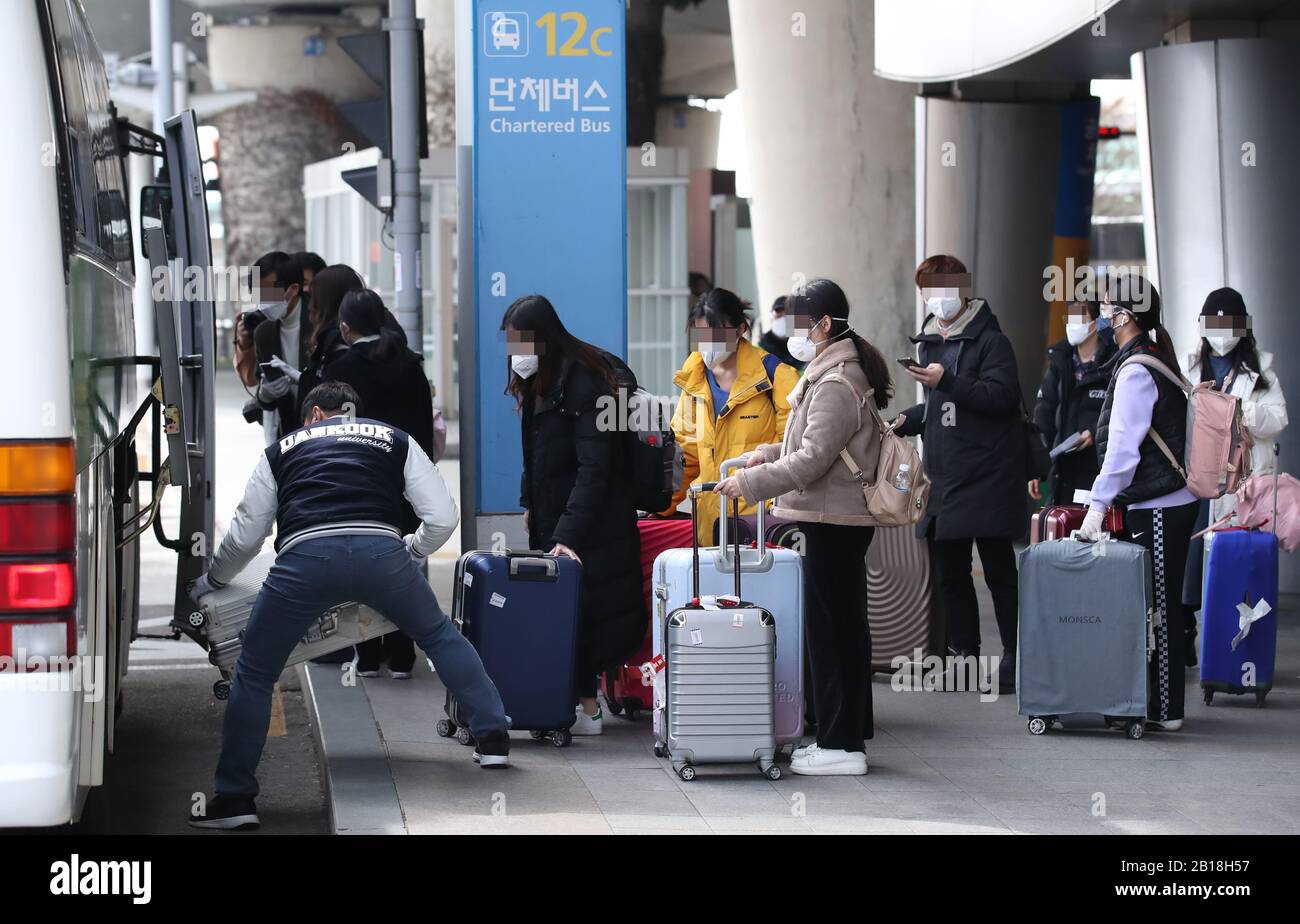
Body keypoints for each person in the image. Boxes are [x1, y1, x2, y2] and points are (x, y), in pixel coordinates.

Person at [187, 382, 509, 829]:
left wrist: (215, 579)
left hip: (305, 558)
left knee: (257, 671)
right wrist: (412, 551)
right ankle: (492, 736)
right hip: (382, 552)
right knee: (437, 635)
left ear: (315, 414)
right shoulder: (394, 438)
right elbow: (442, 517)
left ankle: (235, 798)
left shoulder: (279, 451)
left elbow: (247, 534)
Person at [717, 279, 890, 776]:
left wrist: (751, 483)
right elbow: (813, 446)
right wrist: (766, 454)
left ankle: (842, 745)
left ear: (825, 325)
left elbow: (813, 459)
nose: (792, 333)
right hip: (834, 517)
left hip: (835, 519)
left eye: (799, 324)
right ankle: (846, 737)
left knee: (833, 633)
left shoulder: (837, 381)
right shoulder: (833, 371)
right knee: (841, 629)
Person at [505, 295, 644, 737]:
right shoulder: (543, 381)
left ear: (544, 339)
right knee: (564, 612)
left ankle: (589, 710)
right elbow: (534, 452)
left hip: (593, 522)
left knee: (580, 614)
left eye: (522, 344)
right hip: (559, 515)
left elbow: (595, 468)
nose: (516, 355)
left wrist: (568, 534)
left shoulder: (585, 384)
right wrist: (530, 503)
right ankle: (573, 704)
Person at [894, 254, 1025, 694]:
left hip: (987, 472)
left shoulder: (992, 341)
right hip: (944, 475)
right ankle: (965, 655)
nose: (937, 297)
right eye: (929, 289)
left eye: (944, 287)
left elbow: (1001, 397)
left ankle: (1015, 656)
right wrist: (905, 420)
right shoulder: (929, 341)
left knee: (998, 571)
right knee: (950, 572)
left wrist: (946, 381)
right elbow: (937, 407)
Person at [1078, 274, 1197, 731]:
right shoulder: (1147, 358)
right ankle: (1157, 703)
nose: (1105, 314)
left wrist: (1097, 504)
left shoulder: (1136, 370)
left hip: (1161, 503)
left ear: (1126, 316)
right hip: (1162, 500)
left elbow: (1123, 449)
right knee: (1156, 604)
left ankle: (1165, 710)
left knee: (1160, 607)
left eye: (1110, 307)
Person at [325, 289, 436, 678]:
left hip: (357, 484)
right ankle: (403, 655)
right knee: (403, 566)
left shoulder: (340, 369)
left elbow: (331, 433)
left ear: (344, 328)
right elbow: (423, 428)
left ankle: (368, 656)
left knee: (360, 569)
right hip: (404, 481)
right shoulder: (411, 366)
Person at [1180, 286, 1288, 665]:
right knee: (1190, 562)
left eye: (1230, 322)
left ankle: (1230, 645)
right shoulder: (1189, 367)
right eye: (1214, 322)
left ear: (1243, 327)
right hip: (1197, 479)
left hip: (1242, 483)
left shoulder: (1260, 371)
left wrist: (1240, 411)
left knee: (1234, 566)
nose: (1222, 330)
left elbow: (1279, 419)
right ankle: (1187, 634)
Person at [663, 288, 800, 544]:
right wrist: (661, 506)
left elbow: (794, 451)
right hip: (710, 528)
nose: (709, 343)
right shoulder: (693, 380)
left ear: (740, 330)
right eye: (702, 334)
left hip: (762, 527)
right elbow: (686, 457)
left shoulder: (777, 377)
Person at [1030, 299, 1115, 506]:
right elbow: (1044, 416)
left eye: (1079, 318)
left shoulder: (1112, 363)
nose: (1072, 324)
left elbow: (1123, 412)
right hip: (1063, 473)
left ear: (1096, 324)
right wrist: (1035, 467)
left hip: (1099, 472)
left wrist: (1095, 432)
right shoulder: (1060, 363)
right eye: (1070, 319)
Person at [251, 254, 311, 445]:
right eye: (257, 292)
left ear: (293, 289)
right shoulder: (263, 332)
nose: (263, 300)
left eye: (269, 291)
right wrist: (264, 394)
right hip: (285, 431)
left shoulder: (318, 320)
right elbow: (262, 381)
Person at [234, 250, 289, 390]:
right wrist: (244, 345)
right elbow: (250, 379)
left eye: (271, 291)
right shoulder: (260, 325)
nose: (267, 301)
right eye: (260, 294)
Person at [758, 295, 805, 370]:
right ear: (772, 317)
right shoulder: (762, 346)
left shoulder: (804, 342)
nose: (783, 319)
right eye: (779, 315)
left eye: (787, 315)